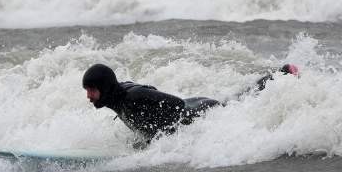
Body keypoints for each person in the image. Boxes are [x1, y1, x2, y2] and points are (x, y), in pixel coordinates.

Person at [81, 62, 300, 142]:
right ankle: (281, 73)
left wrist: (169, 133)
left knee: (240, 101)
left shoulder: (132, 96)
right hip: (194, 105)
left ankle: (285, 73)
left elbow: (175, 103)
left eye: (92, 90)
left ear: (106, 87)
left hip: (201, 111)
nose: (89, 96)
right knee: (238, 99)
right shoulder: (117, 97)